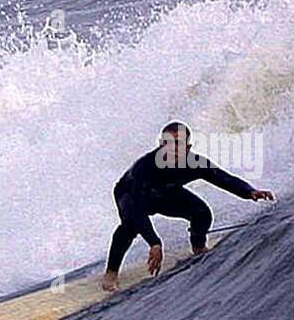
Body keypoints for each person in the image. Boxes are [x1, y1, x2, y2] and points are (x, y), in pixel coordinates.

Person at [101, 122, 273, 291]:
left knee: (202, 213)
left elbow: (221, 178)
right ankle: (111, 274)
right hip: (130, 194)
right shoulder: (145, 166)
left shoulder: (194, 162)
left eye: (179, 143)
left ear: (188, 147)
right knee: (130, 225)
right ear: (161, 145)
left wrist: (249, 192)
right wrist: (154, 243)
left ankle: (198, 246)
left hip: (165, 193)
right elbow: (137, 208)